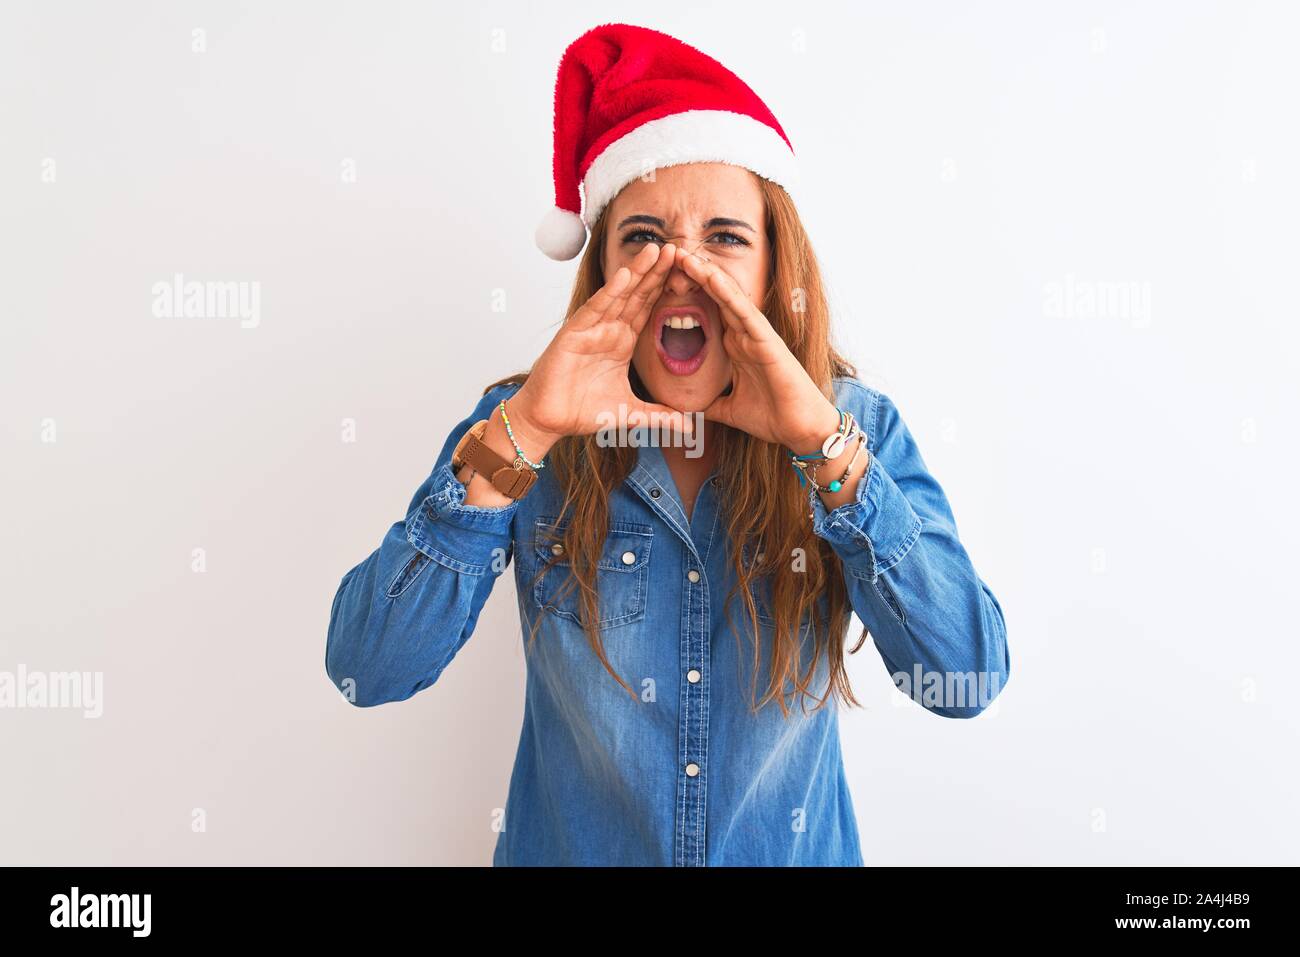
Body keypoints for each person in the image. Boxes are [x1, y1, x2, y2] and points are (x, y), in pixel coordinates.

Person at [326, 23, 1010, 866]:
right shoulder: (518, 425)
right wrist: (525, 435)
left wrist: (826, 452)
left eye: (725, 237)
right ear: (602, 268)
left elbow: (969, 678)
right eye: (644, 237)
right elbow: (367, 667)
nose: (683, 269)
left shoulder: (857, 425)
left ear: (771, 271)